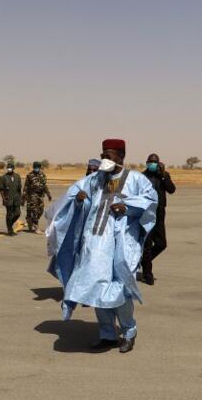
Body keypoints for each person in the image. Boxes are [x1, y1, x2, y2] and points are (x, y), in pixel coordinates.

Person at [47, 139, 157, 353]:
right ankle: (107, 334)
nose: (104, 159)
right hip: (96, 242)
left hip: (123, 242)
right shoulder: (94, 179)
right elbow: (77, 199)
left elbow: (150, 201)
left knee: (121, 288)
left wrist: (127, 206)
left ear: (121, 156)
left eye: (109, 155)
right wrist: (79, 201)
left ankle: (128, 331)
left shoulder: (136, 179)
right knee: (96, 285)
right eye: (103, 154)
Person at [139, 153, 177, 285]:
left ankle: (143, 261)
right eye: (150, 162)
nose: (152, 164)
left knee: (162, 244)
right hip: (146, 215)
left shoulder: (164, 175)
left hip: (160, 215)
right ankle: (147, 274)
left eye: (155, 162)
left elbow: (172, 190)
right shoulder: (142, 176)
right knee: (147, 246)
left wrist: (162, 176)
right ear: (147, 163)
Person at [23, 161, 53, 233]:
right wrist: (24, 197)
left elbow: (45, 186)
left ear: (39, 168)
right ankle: (36, 227)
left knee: (41, 210)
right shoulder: (29, 175)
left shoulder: (42, 175)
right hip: (32, 195)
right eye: (35, 167)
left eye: (38, 167)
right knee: (35, 211)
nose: (36, 168)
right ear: (33, 167)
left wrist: (48, 194)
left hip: (40, 195)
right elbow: (26, 187)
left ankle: (30, 220)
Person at [0, 161, 23, 236]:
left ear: (13, 168)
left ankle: (10, 224)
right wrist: (4, 199)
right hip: (8, 199)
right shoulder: (3, 178)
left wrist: (21, 198)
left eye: (10, 167)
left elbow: (19, 189)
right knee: (9, 214)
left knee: (17, 213)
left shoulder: (17, 176)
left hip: (17, 199)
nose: (9, 169)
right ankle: (10, 230)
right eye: (8, 167)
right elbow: (1, 190)